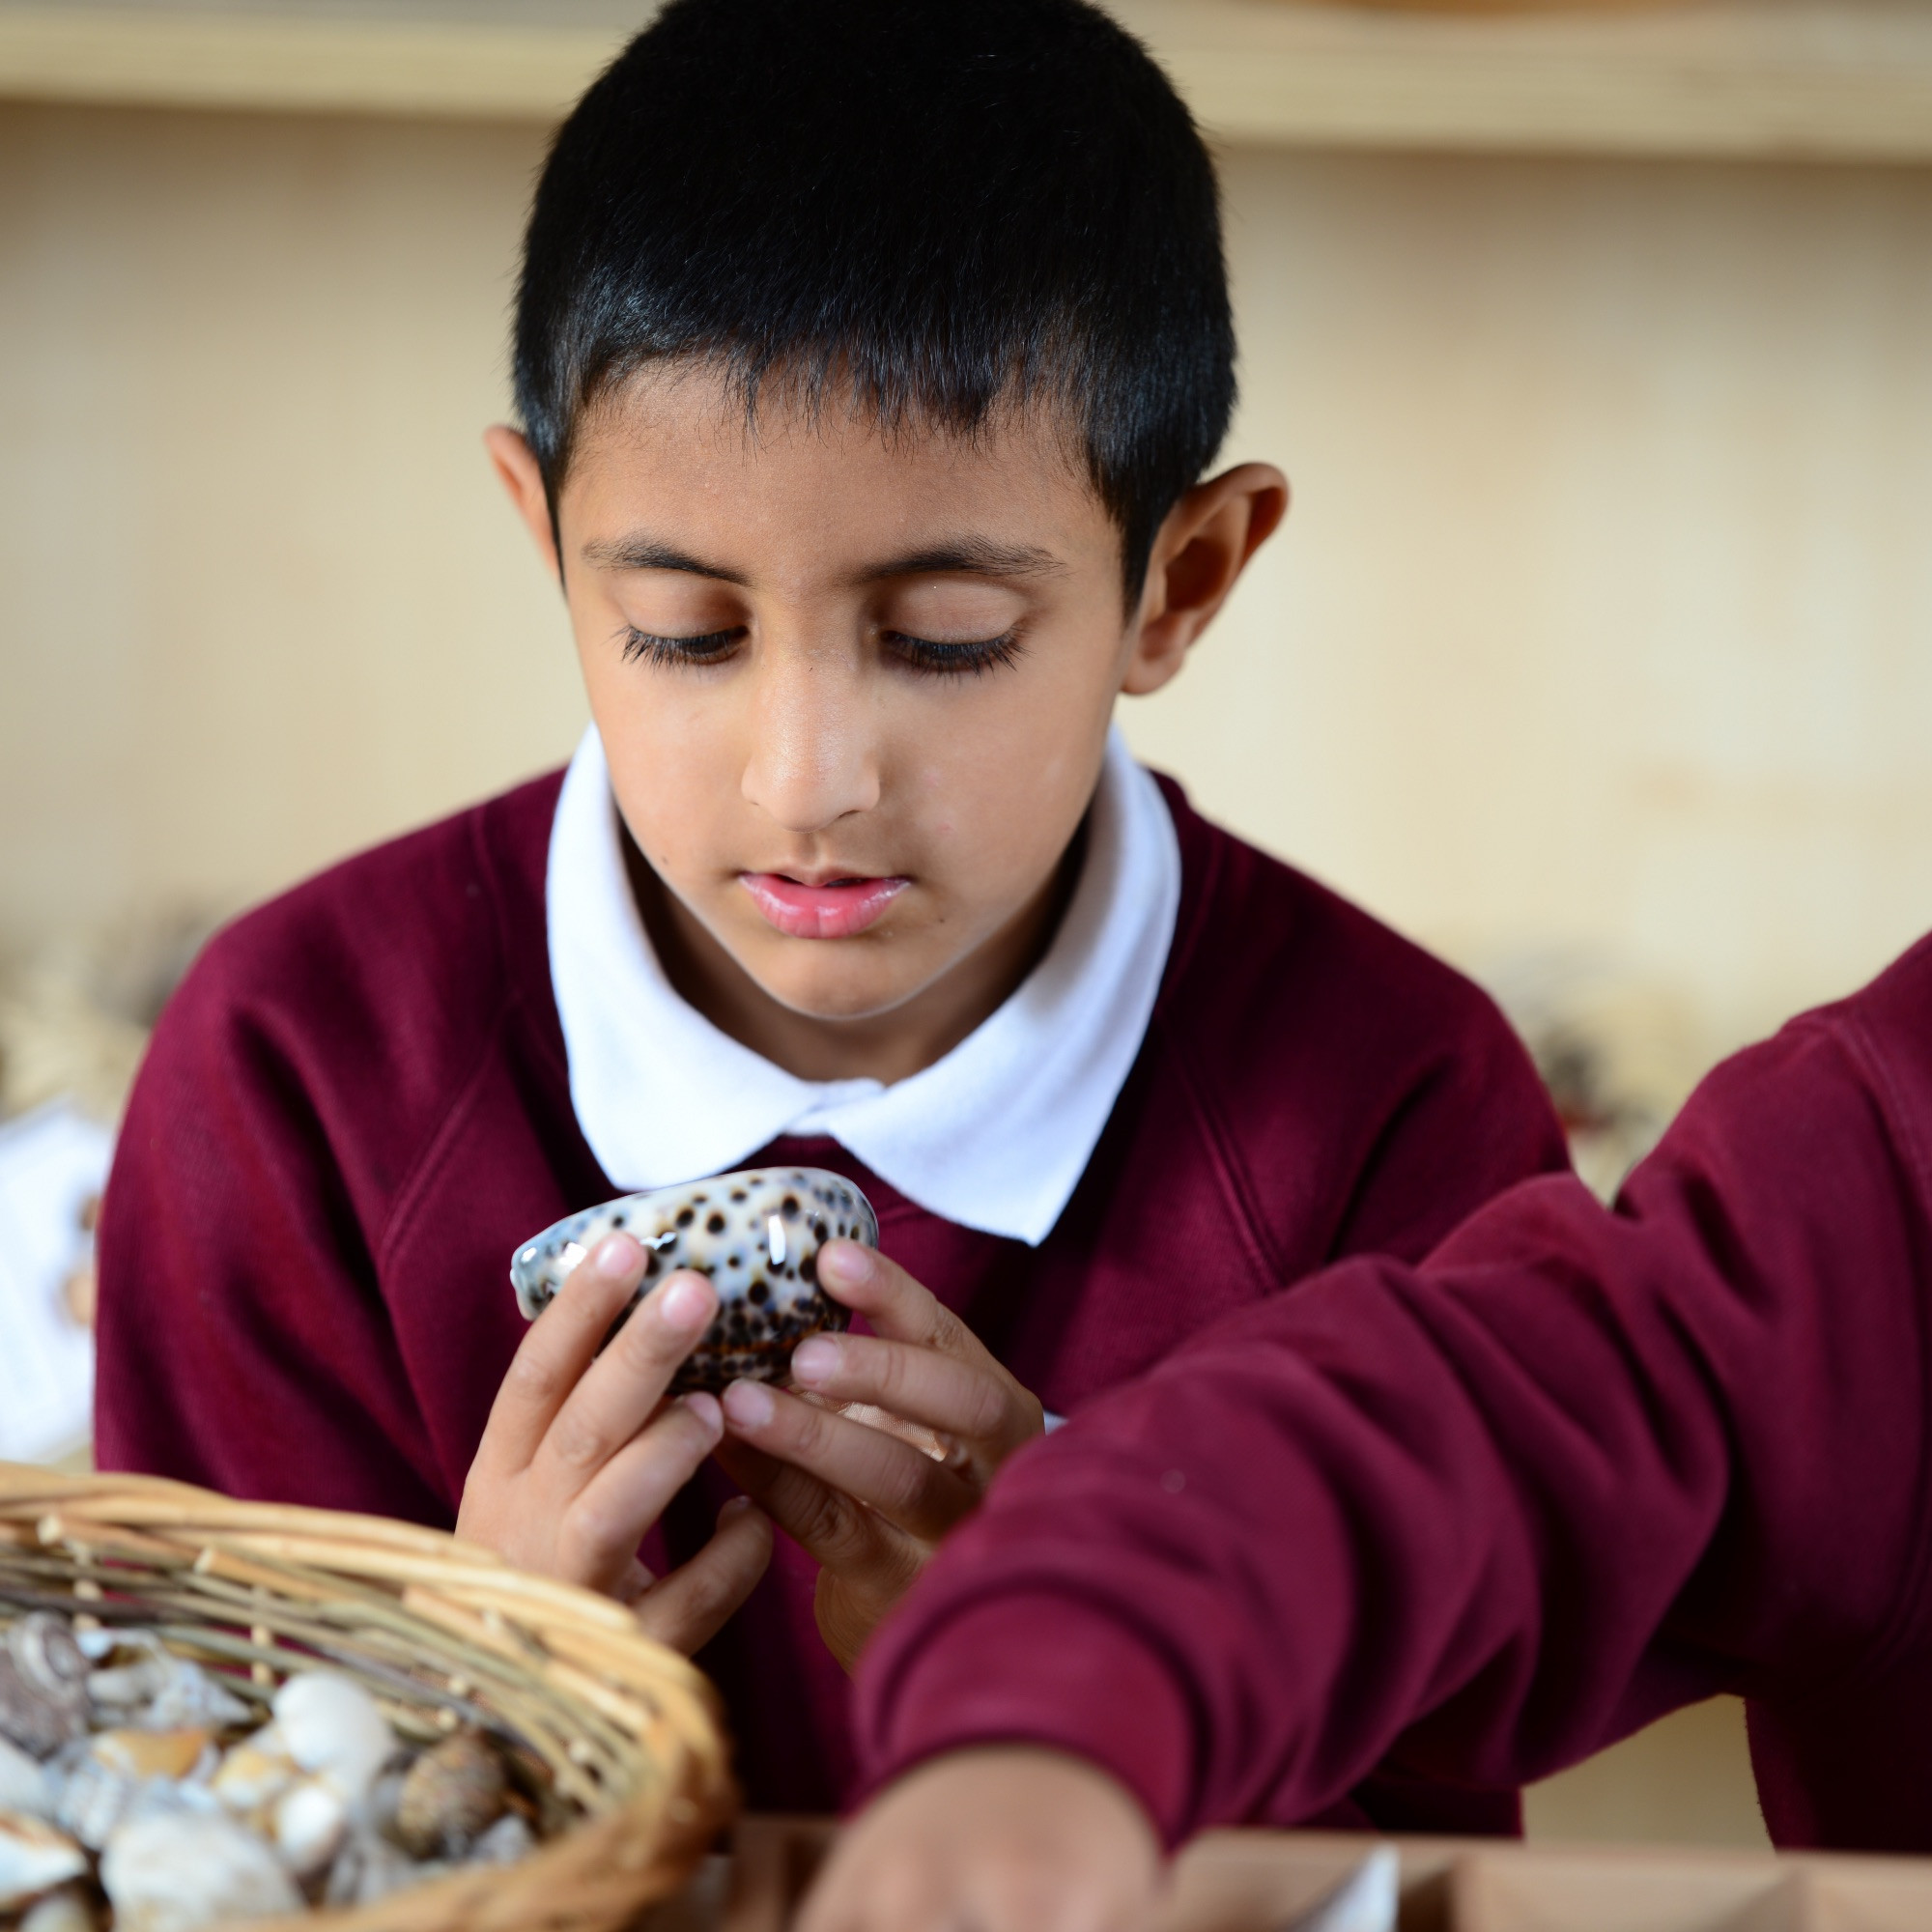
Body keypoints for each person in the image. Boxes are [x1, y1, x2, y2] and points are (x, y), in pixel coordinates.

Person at [94, 0, 1566, 1819]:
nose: (809, 779)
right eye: (687, 633)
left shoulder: (1392, 1110)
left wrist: (1124, 1656)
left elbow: (1436, 1855)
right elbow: (178, 1826)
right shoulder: (296, 1080)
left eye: (945, 639)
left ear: (1177, 583)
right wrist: (463, 1693)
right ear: (545, 532)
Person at [795, 929, 1932, 1932]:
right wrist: (1050, 1692)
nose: (809, 782)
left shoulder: (1402, 1070)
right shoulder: (1886, 1167)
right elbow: (1473, 1417)